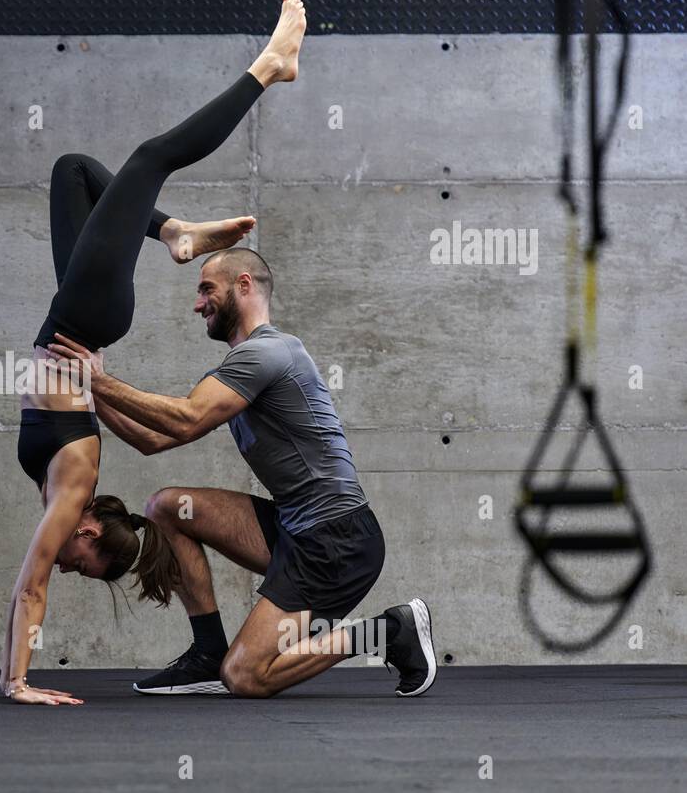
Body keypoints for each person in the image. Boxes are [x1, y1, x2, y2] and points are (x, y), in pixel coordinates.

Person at [2, 0, 310, 705]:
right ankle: (270, 67)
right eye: (85, 559)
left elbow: (39, 575)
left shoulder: (56, 484)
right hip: (87, 317)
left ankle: (175, 233)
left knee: (72, 170)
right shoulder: (72, 487)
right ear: (89, 530)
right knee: (149, 157)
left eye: (74, 564)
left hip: (71, 320)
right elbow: (32, 584)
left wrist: (97, 388)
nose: (68, 561)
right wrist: (16, 680)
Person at [48, 247, 437, 698]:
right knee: (166, 508)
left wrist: (98, 380)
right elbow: (151, 439)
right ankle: (208, 653)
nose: (198, 304)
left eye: (206, 289)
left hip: (337, 541)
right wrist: (88, 389)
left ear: (245, 285)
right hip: (295, 528)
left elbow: (186, 418)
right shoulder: (242, 366)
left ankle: (390, 631)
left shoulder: (270, 353)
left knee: (246, 676)